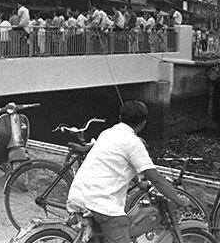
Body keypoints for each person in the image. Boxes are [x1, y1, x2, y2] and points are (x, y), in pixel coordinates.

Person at [66, 100, 192, 243]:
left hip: (79, 194)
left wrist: (138, 183)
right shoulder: (134, 143)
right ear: (143, 123)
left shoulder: (107, 133)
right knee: (120, 225)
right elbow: (155, 178)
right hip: (101, 202)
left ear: (120, 117)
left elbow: (117, 164)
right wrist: (179, 200)